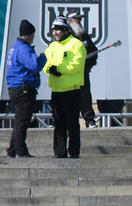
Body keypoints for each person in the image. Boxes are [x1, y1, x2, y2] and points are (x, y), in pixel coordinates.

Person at [42, 17, 86, 159]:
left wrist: (59, 68)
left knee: (72, 123)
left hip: (71, 90)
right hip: (56, 91)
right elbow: (45, 62)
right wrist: (50, 68)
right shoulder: (53, 46)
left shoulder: (76, 45)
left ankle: (74, 152)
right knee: (58, 123)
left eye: (58, 29)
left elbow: (76, 65)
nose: (55, 33)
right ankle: (59, 152)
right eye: (54, 30)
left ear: (66, 30)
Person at [4, 19, 41, 158]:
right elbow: (35, 65)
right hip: (24, 88)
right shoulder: (24, 48)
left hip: (15, 88)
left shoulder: (14, 47)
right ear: (29, 34)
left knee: (19, 119)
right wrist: (43, 59)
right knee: (23, 121)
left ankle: (12, 150)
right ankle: (20, 150)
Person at [66, 12, 100, 127]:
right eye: (77, 19)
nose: (79, 22)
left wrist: (87, 65)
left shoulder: (84, 36)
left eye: (80, 19)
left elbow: (94, 53)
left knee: (85, 97)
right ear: (69, 21)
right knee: (68, 99)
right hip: (68, 75)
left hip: (83, 73)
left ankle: (89, 120)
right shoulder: (65, 36)